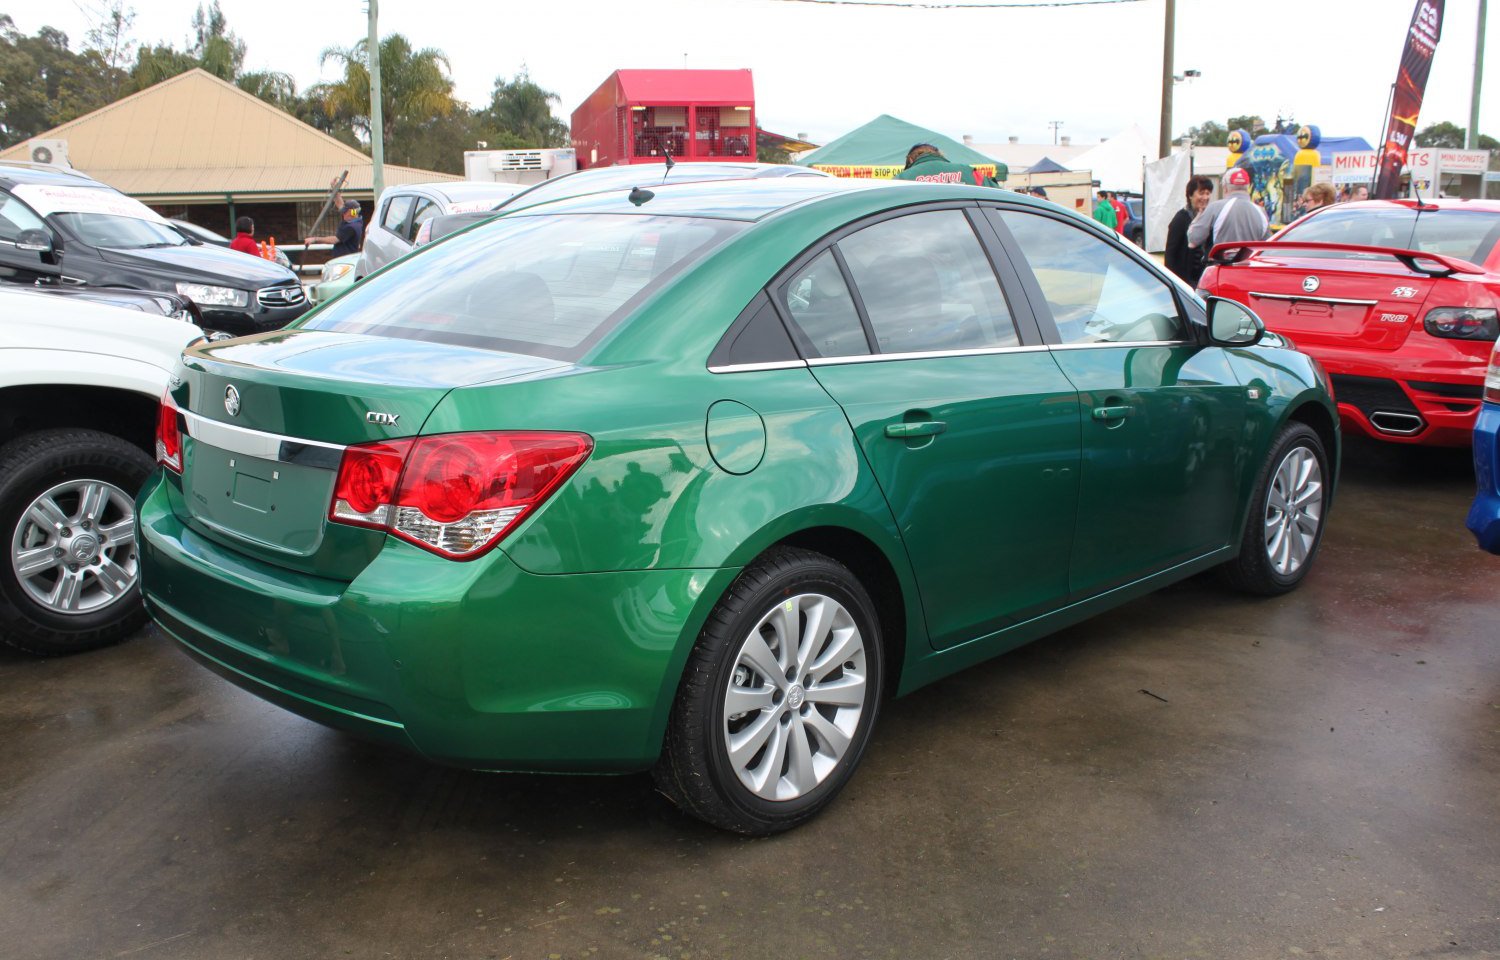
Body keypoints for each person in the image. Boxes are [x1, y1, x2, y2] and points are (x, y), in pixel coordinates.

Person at [1187, 166, 1269, 253]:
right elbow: (1268, 245)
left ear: (1225, 187)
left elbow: (1193, 240)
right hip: (1251, 265)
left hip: (1223, 264)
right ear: (1248, 187)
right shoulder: (1261, 212)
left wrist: (1198, 216)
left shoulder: (1215, 207)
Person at [1165, 175, 1214, 286]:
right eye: (1201, 193)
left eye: (1208, 193)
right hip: (1184, 282)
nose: (1205, 197)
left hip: (1203, 280)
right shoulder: (1181, 218)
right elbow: (1170, 255)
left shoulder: (1209, 218)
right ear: (1190, 195)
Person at [896, 143, 994, 186]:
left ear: (911, 160)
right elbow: (998, 195)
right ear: (939, 155)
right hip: (968, 227)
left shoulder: (900, 180)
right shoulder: (970, 173)